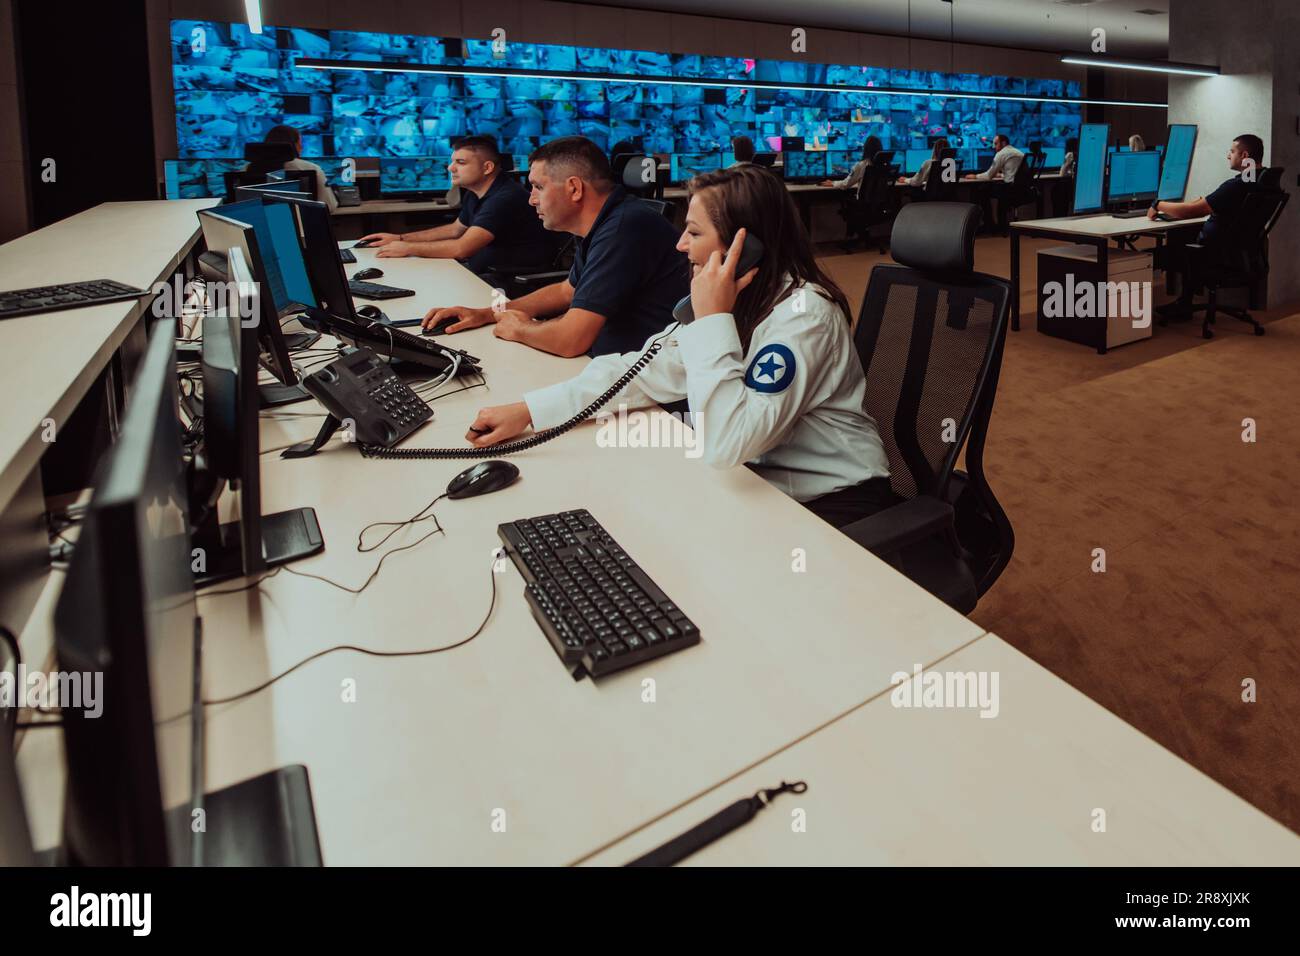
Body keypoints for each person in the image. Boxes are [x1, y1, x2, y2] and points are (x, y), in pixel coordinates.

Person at [461, 164, 896, 529]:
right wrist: (531, 410)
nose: (680, 244)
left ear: (745, 248)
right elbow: (640, 372)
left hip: (834, 498)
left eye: (693, 232)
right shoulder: (738, 302)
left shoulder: (804, 316)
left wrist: (712, 321)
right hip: (759, 480)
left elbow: (728, 441)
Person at [422, 136, 689, 358]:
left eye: (538, 187)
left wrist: (521, 329)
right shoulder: (604, 220)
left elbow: (570, 341)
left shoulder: (624, 228)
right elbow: (567, 291)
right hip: (604, 364)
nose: (531, 200)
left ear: (574, 188)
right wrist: (488, 314)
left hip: (636, 380)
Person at [357, 136, 561, 275]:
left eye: (461, 162)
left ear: (487, 167)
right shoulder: (477, 192)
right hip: (481, 272)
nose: (450, 167)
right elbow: (456, 230)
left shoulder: (504, 198)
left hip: (504, 281)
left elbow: (462, 248)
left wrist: (408, 248)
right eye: (452, 161)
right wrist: (400, 238)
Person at [1152, 133, 1266, 316]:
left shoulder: (1236, 186)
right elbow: (1204, 205)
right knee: (1184, 236)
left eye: (1232, 151)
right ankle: (1185, 303)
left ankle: (1181, 306)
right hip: (1238, 254)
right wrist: (1195, 204)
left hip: (1212, 254)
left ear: (1244, 156)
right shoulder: (1259, 183)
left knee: (1153, 255)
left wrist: (1157, 204)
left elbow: (1191, 212)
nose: (1228, 155)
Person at [255, 125, 337, 212]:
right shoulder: (311, 168)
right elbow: (329, 205)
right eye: (299, 143)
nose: (301, 147)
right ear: (293, 145)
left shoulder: (247, 169)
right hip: (301, 223)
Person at [965, 133, 1025, 231]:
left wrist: (975, 176)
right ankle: (995, 224)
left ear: (1004, 143)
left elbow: (989, 176)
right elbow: (1014, 173)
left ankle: (988, 224)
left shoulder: (1001, 153)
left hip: (1009, 189)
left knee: (981, 190)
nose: (994, 147)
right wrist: (1001, 175)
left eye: (996, 143)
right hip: (1022, 190)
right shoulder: (1018, 152)